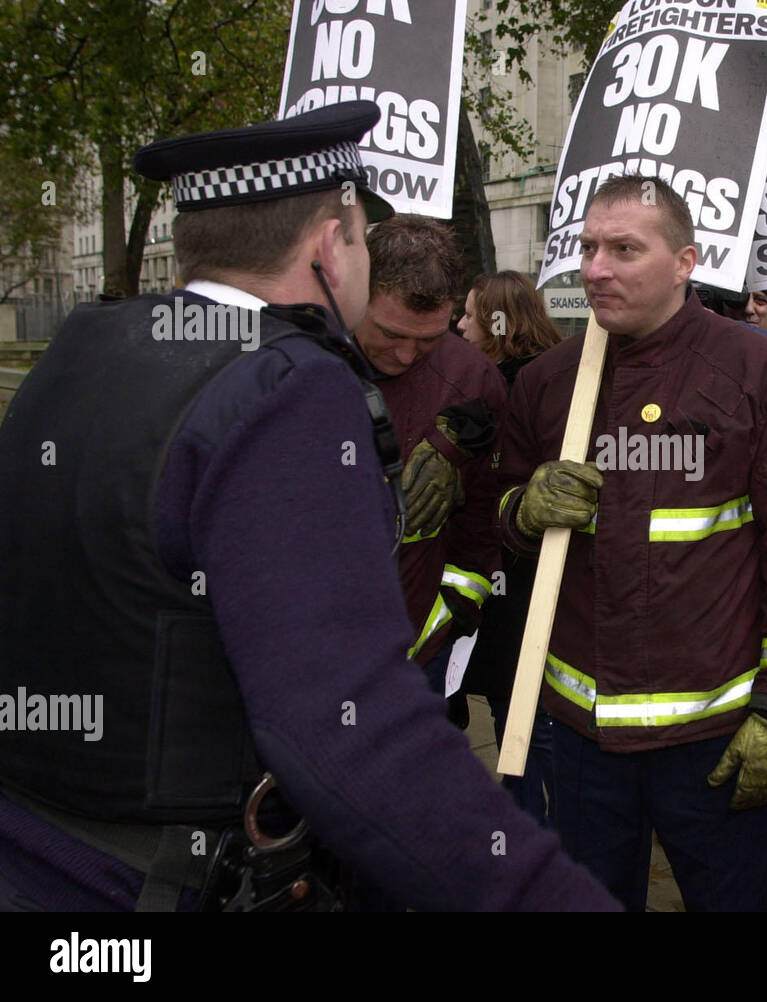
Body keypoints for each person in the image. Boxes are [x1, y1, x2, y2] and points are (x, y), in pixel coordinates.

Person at [0, 102, 617, 912]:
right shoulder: (288, 385)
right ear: (335, 242)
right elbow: (349, 731)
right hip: (163, 883)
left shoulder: (83, 350)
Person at [495, 174, 767, 911]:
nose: (595, 268)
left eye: (625, 249)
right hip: (580, 738)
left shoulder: (761, 377)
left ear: (686, 262)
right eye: (588, 248)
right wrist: (521, 513)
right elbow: (496, 515)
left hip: (715, 742)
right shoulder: (546, 383)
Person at [354, 216, 507, 731]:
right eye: (391, 334)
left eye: (427, 340)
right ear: (356, 288)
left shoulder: (471, 378)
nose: (404, 355)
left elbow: (488, 513)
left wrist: (456, 604)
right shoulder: (298, 357)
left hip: (417, 647)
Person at [457, 270, 564, 824]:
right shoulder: (548, 376)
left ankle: (535, 836)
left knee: (522, 713)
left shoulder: (517, 388)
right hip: (518, 575)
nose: (460, 324)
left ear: (500, 322)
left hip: (521, 577)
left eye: (471, 315)